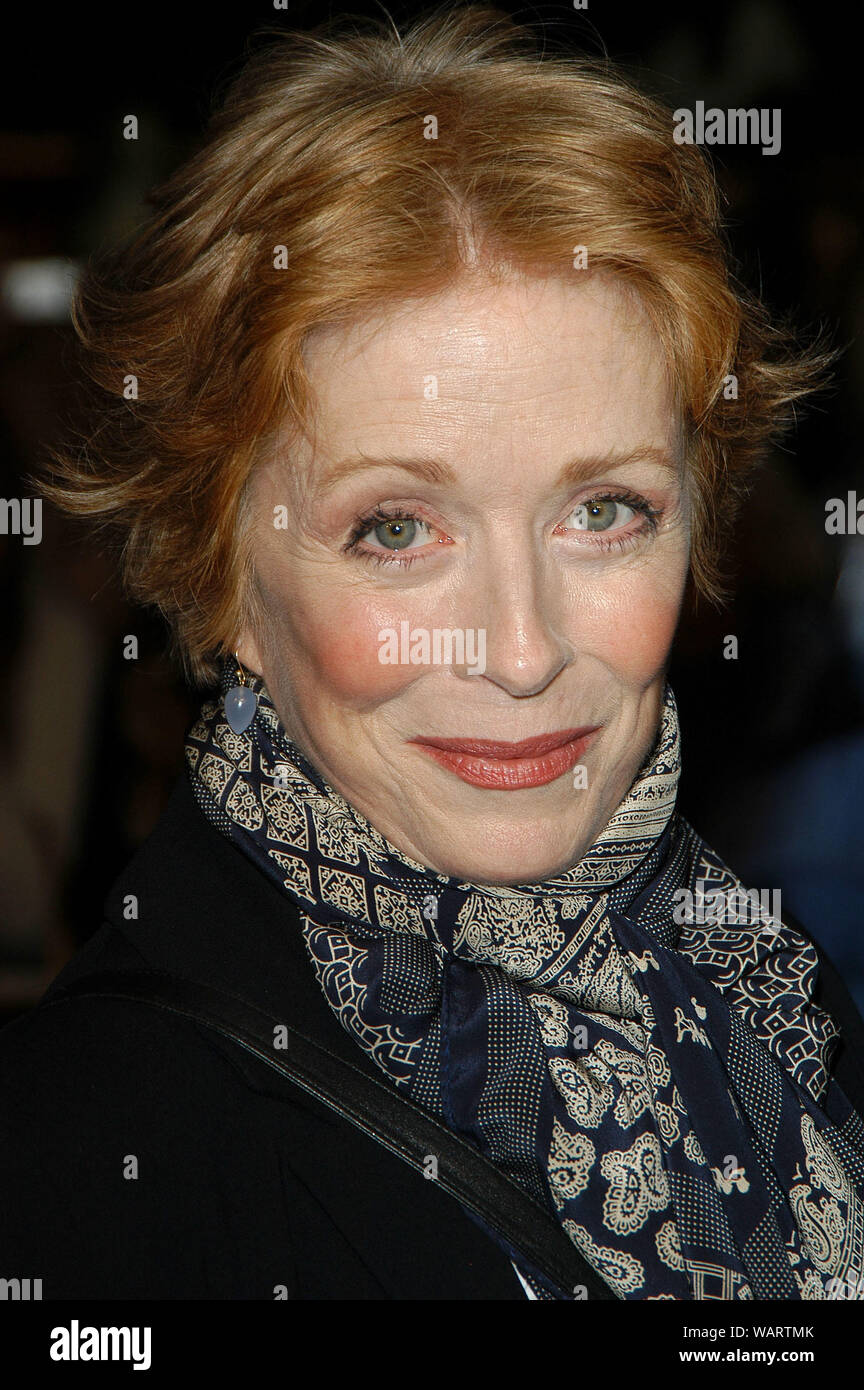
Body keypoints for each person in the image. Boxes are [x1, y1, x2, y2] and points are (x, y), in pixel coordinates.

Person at [2, 4, 863, 1302]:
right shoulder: (89, 1157)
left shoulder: (773, 987)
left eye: (604, 511)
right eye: (396, 528)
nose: (520, 650)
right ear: (225, 575)